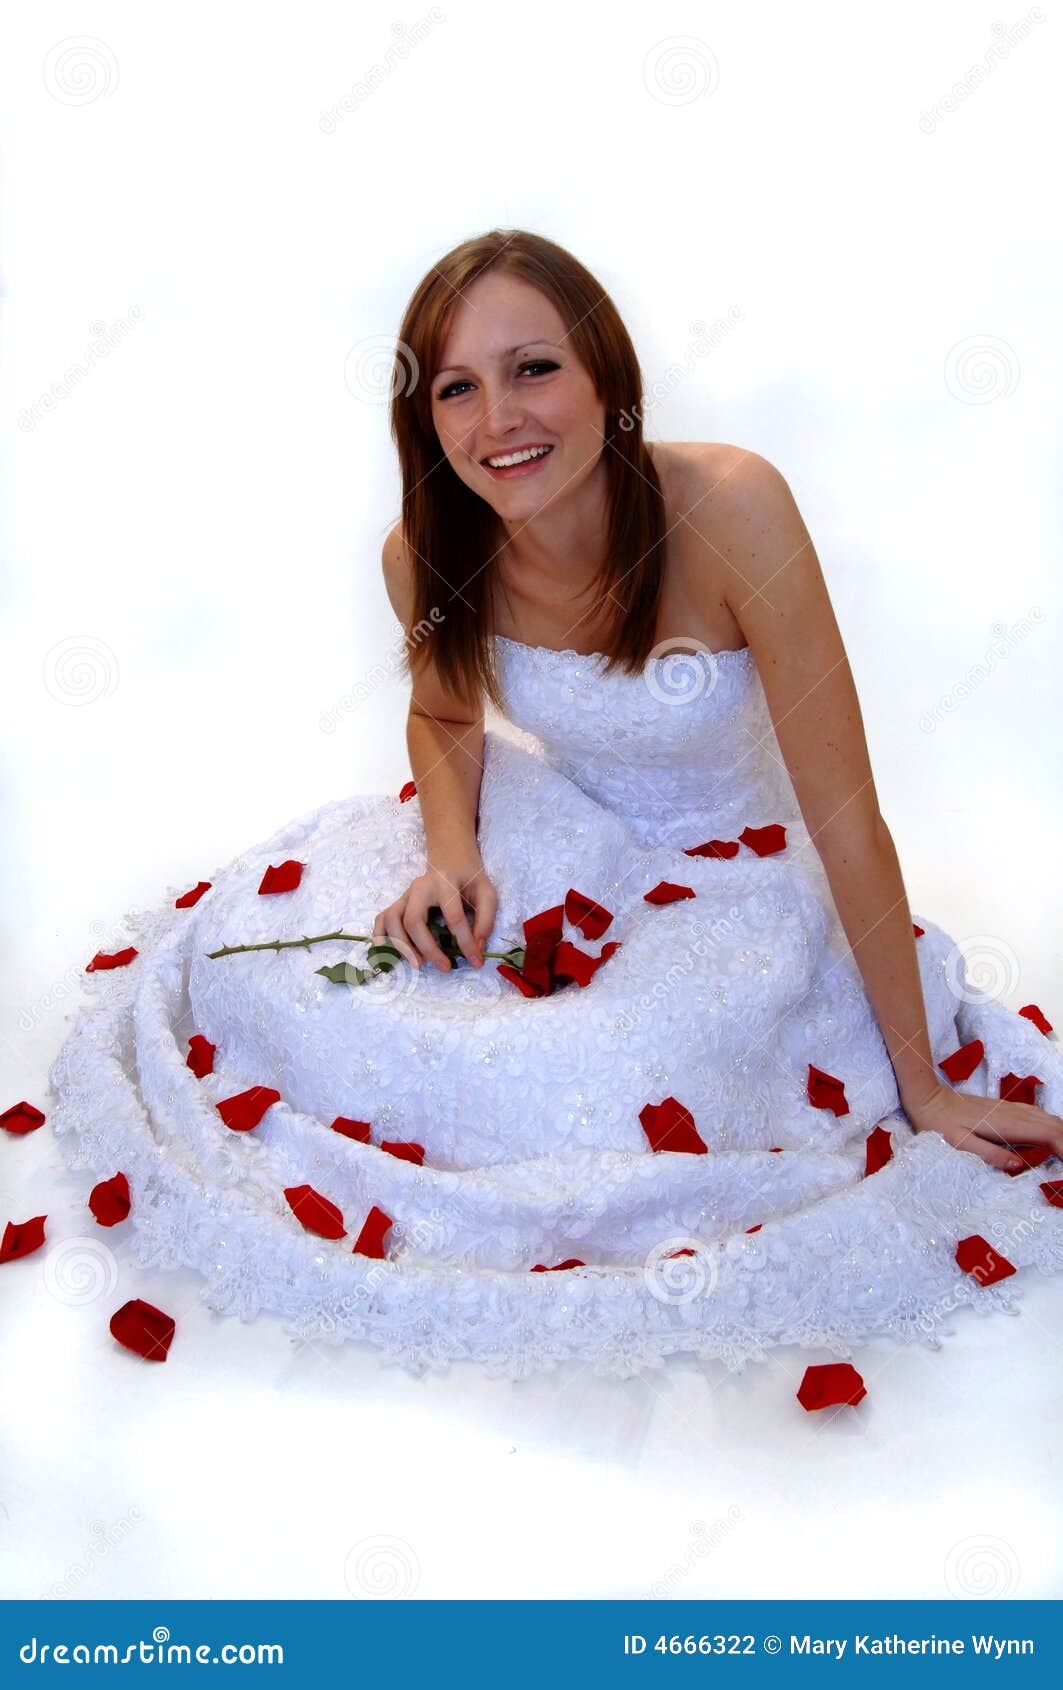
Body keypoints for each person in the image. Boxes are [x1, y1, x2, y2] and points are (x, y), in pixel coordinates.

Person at [42, 228, 1063, 1387]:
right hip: (561, 829)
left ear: (605, 376)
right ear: (423, 419)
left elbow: (843, 811)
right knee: (279, 971)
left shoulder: (736, 509)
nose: (498, 422)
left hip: (727, 874)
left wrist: (920, 1083)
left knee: (612, 1072)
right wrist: (446, 853)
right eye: (457, 389)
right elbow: (442, 719)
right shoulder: (425, 552)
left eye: (534, 368)